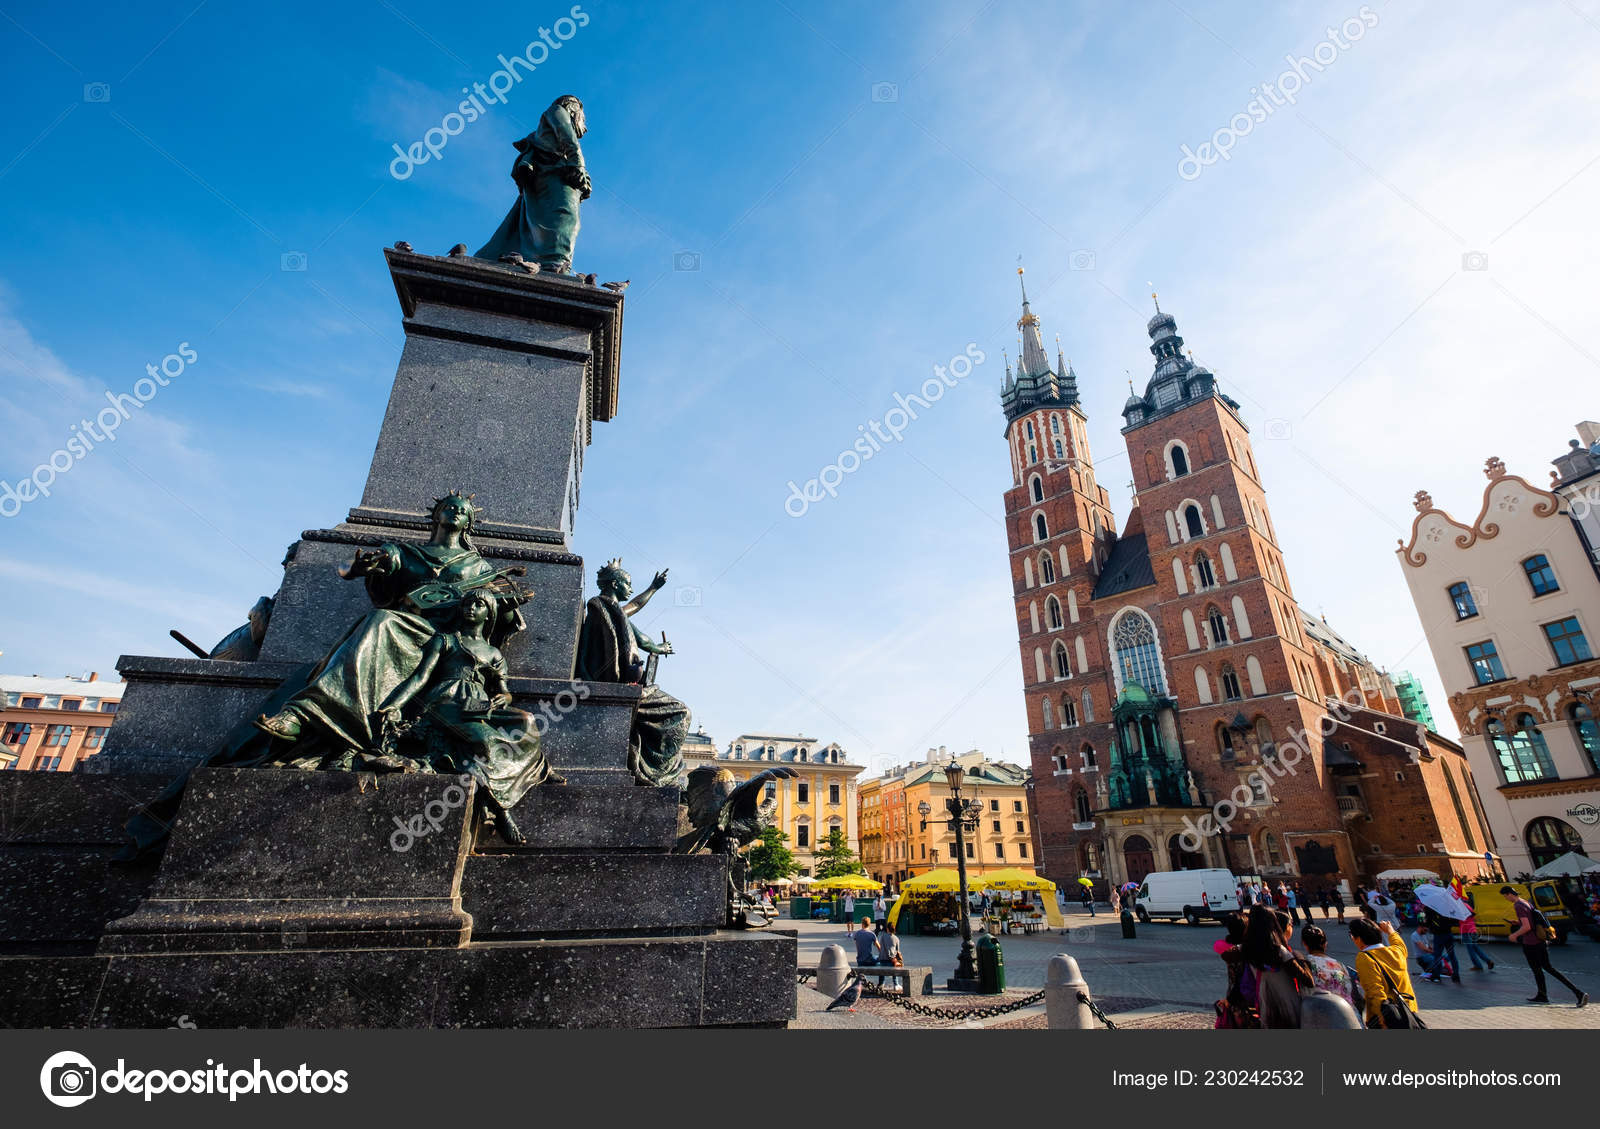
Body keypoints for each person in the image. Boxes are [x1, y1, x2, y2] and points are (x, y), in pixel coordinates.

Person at [1504, 885, 1588, 1007]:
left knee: (1538, 970)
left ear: (1509, 894)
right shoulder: (1525, 902)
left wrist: (1514, 935)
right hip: (1540, 941)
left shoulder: (1518, 905)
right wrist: (1518, 922)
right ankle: (1547, 995)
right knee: (1547, 968)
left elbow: (1527, 927)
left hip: (1531, 942)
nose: (1506, 899)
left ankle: (1573, 993)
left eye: (1505, 896)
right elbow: (1531, 921)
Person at [1350, 917, 1419, 1028]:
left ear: (1359, 938)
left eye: (1352, 936)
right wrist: (1390, 930)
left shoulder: (1364, 957)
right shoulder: (1397, 952)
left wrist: (1383, 1021)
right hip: (1409, 1010)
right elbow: (1399, 943)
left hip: (1388, 1018)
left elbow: (1375, 992)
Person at [1301, 924, 1356, 1007]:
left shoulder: (1304, 964)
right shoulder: (1339, 965)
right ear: (1325, 944)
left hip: (1321, 1013)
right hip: (1348, 1011)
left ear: (1304, 944)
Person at [1421, 909, 1460, 984]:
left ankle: (1436, 976)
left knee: (1437, 956)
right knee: (1452, 955)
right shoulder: (1447, 907)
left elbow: (1428, 923)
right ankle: (1456, 976)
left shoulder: (1432, 909)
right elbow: (1455, 922)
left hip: (1439, 935)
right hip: (1448, 934)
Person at [1457, 899, 1495, 972]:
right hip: (1472, 929)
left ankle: (1478, 965)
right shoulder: (1467, 906)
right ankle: (1488, 961)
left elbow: (1461, 918)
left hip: (1466, 930)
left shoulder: (1460, 907)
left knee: (1471, 950)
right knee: (1475, 947)